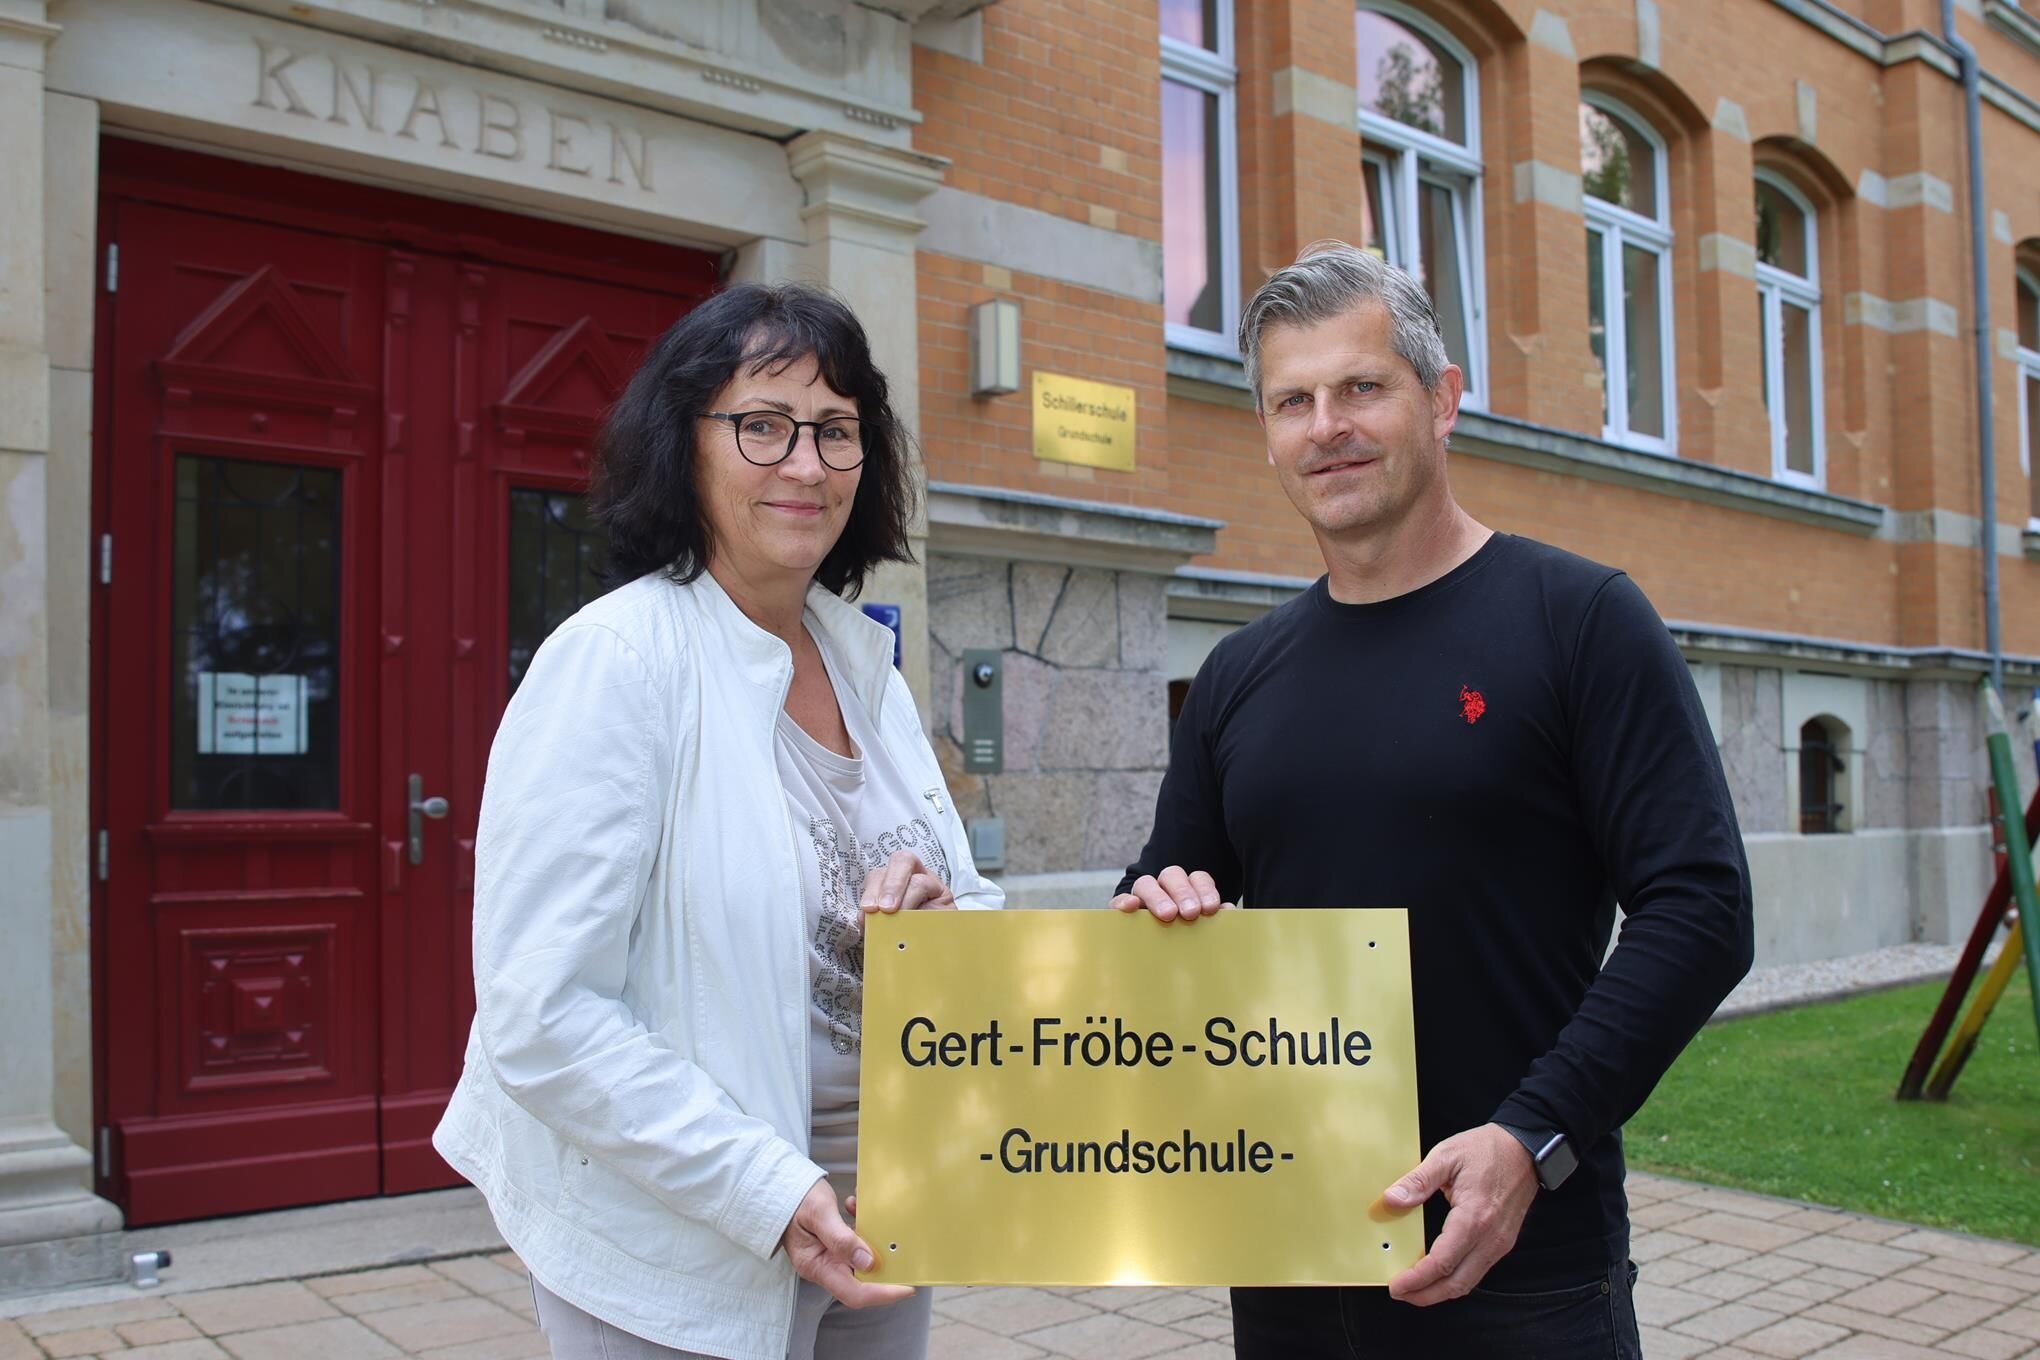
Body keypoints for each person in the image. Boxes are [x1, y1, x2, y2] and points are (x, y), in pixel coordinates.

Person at [1113, 242, 1753, 1359]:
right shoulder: (1236, 675)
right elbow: (1167, 886)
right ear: (1266, 430)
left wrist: (1532, 1137)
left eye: (1362, 387)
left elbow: (1702, 909)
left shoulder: (1581, 621)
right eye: (1293, 401)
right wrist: (1152, 912)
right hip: (1291, 1252)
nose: (1327, 427)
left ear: (1443, 399)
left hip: (1519, 1267)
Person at [433, 282, 1001, 1360]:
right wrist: (766, 1190)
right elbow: (543, 1010)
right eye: (763, 425)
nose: (807, 464)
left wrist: (941, 926)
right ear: (682, 446)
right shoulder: (616, 663)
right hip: (682, 1245)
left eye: (836, 430)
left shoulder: (866, 665)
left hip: (886, 1214)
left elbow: (968, 901)